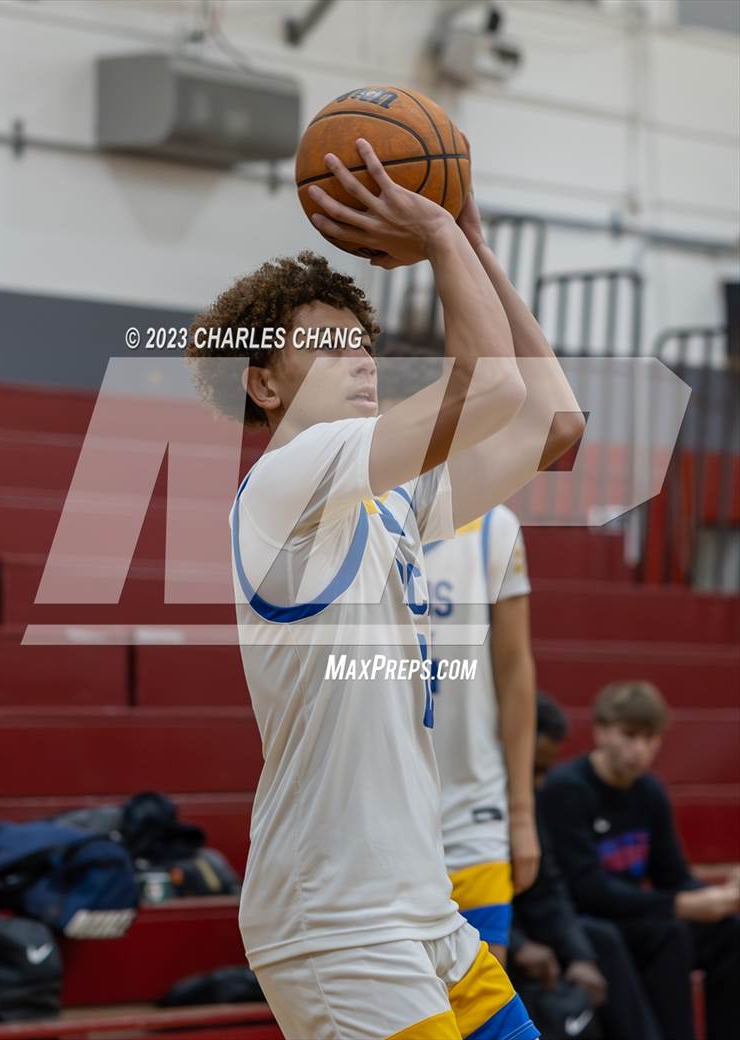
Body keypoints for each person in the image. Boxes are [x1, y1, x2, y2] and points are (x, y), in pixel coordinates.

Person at [187, 137, 583, 1040]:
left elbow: (553, 421)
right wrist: (441, 235)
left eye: (361, 342)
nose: (360, 357)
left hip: (422, 910)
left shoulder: (390, 504)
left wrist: (474, 244)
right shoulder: (291, 474)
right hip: (336, 924)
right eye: (326, 345)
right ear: (263, 381)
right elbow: (485, 395)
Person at [539, 681, 740, 1040]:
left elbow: (673, 875)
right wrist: (683, 904)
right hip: (587, 922)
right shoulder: (566, 790)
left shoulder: (650, 791)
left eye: (650, 738)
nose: (640, 750)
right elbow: (588, 890)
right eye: (630, 735)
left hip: (636, 916)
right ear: (601, 731)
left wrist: (721, 899)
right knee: (669, 932)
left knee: (729, 931)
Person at [426, 504, 539, 967]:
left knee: (482, 1003)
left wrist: (521, 814)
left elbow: (515, 673)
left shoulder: (493, 526)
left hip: (472, 807)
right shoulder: (358, 517)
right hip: (380, 811)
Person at [517, 692, 661, 1040]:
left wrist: (580, 955)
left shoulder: (531, 803)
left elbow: (547, 886)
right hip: (486, 931)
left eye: (544, 772)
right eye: (533, 771)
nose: (540, 784)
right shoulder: (464, 803)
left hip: (537, 926)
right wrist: (517, 942)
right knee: (602, 938)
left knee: (608, 946)